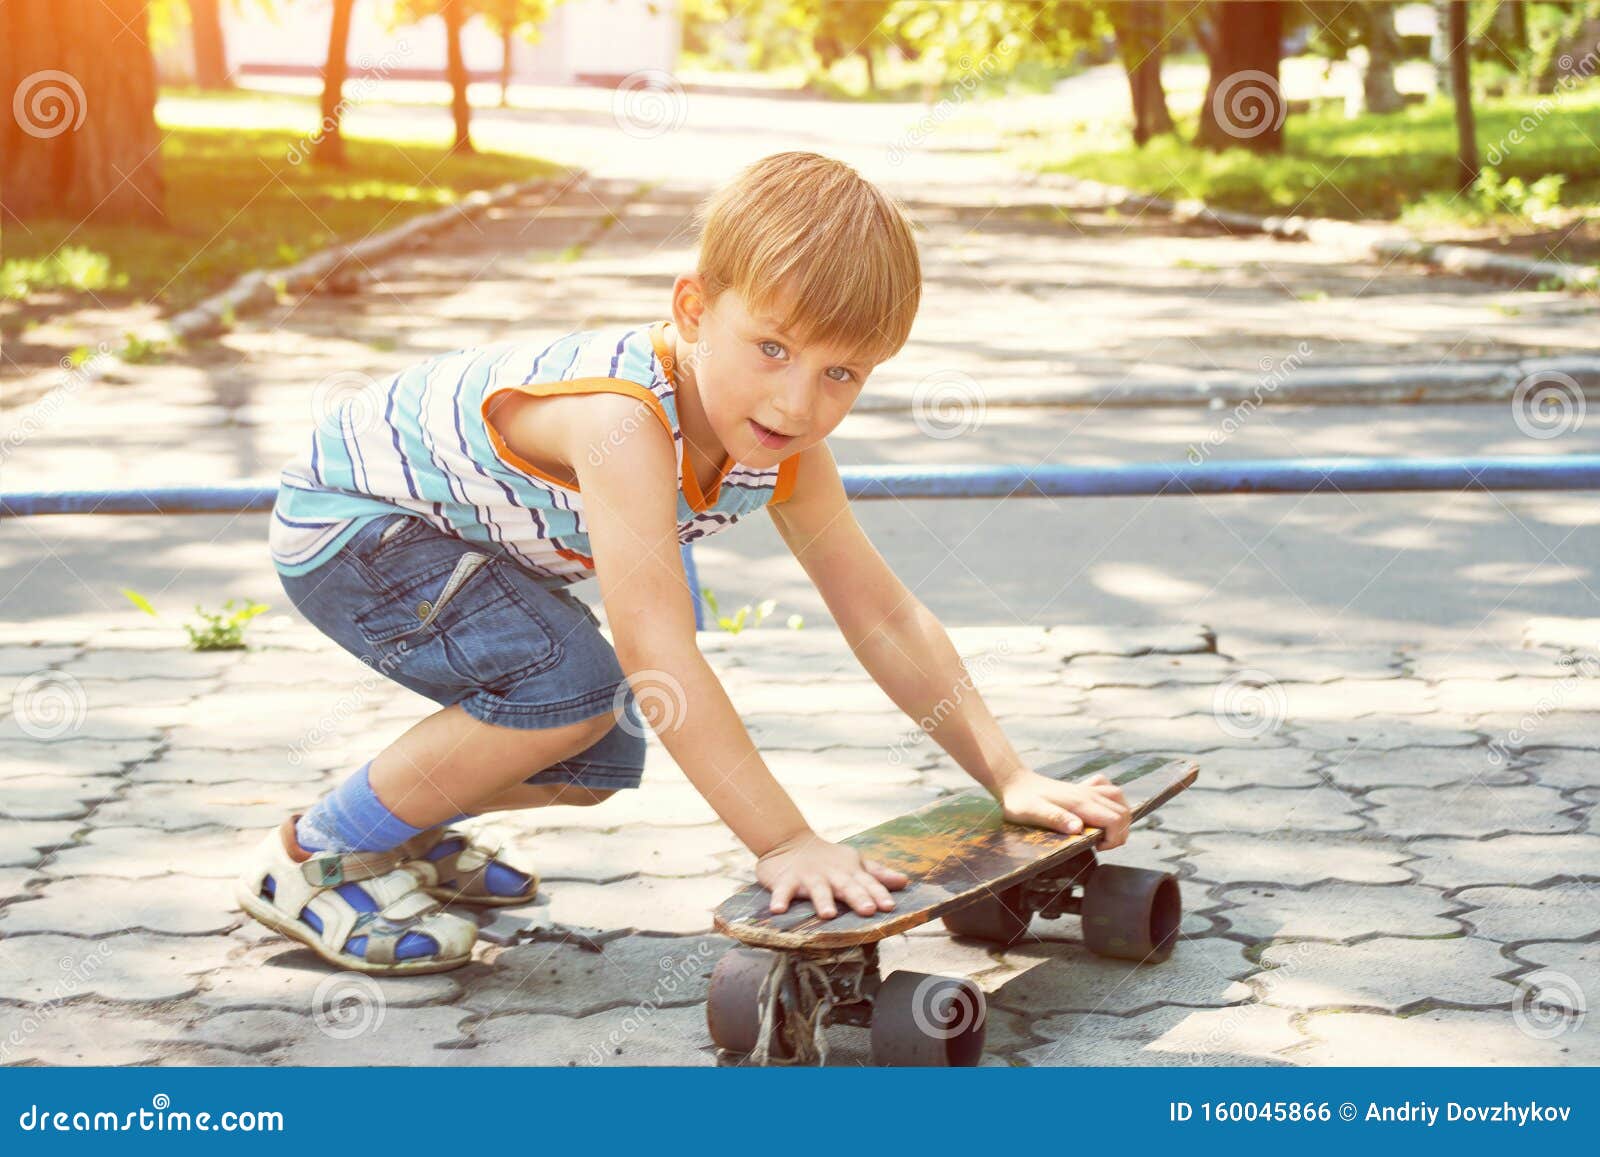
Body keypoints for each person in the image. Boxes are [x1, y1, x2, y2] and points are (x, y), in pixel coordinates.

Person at [237, 151, 1132, 975]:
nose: (797, 400)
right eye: (773, 348)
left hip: (446, 540)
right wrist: (785, 841)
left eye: (843, 373)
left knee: (598, 755)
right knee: (571, 691)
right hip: (354, 524)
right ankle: (312, 856)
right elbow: (660, 650)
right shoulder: (624, 420)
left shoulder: (782, 448)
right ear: (694, 310)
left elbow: (880, 611)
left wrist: (1007, 773)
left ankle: (402, 823)